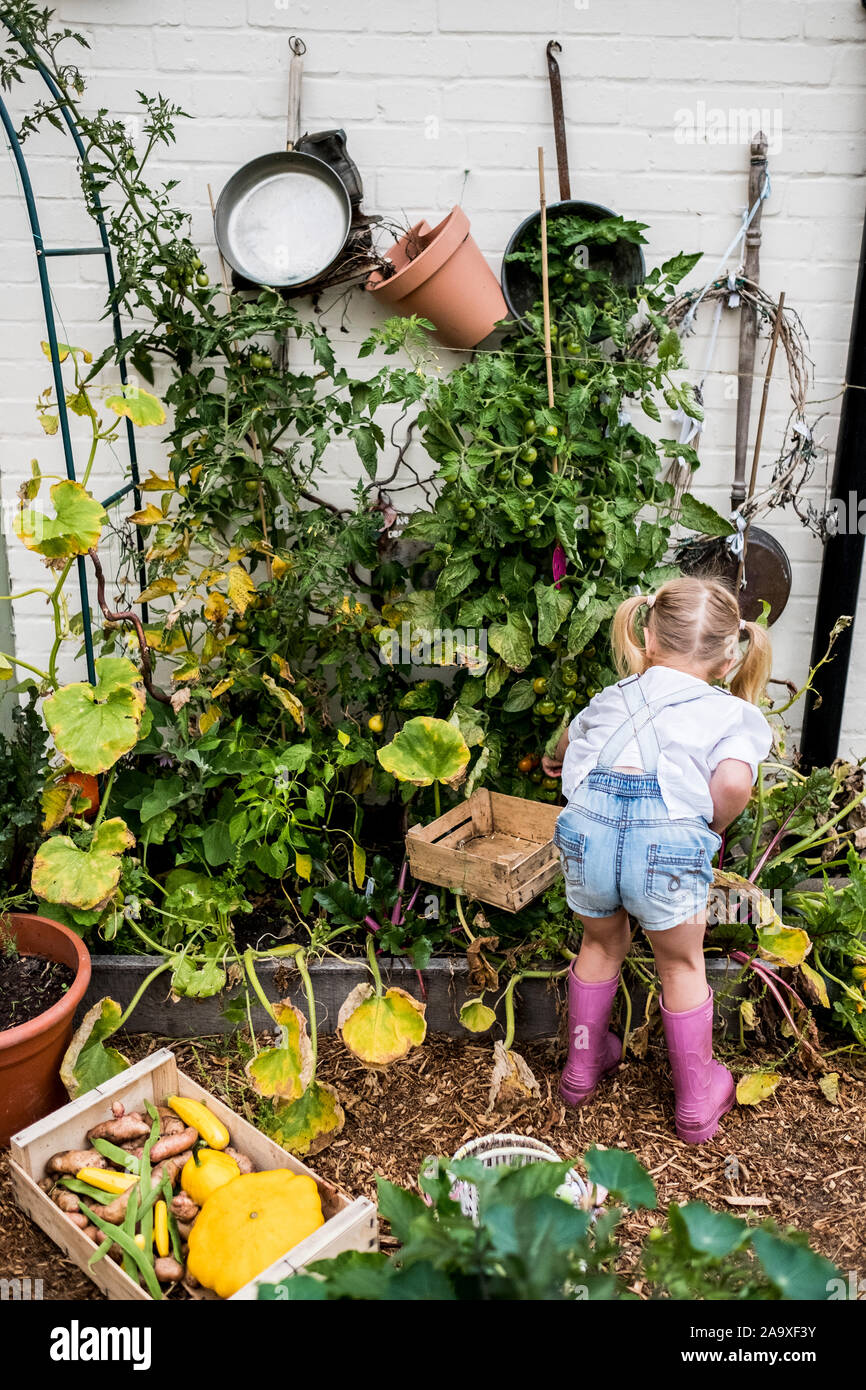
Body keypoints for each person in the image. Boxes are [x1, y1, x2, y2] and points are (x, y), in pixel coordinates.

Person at [542, 576, 773, 1144]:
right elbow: (736, 781)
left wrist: (556, 764)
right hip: (665, 848)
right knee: (681, 966)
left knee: (599, 945)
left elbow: (571, 745)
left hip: (587, 836)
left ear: (646, 635)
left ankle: (580, 1068)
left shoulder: (613, 695)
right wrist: (712, 826)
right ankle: (695, 1101)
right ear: (729, 657)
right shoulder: (729, 714)